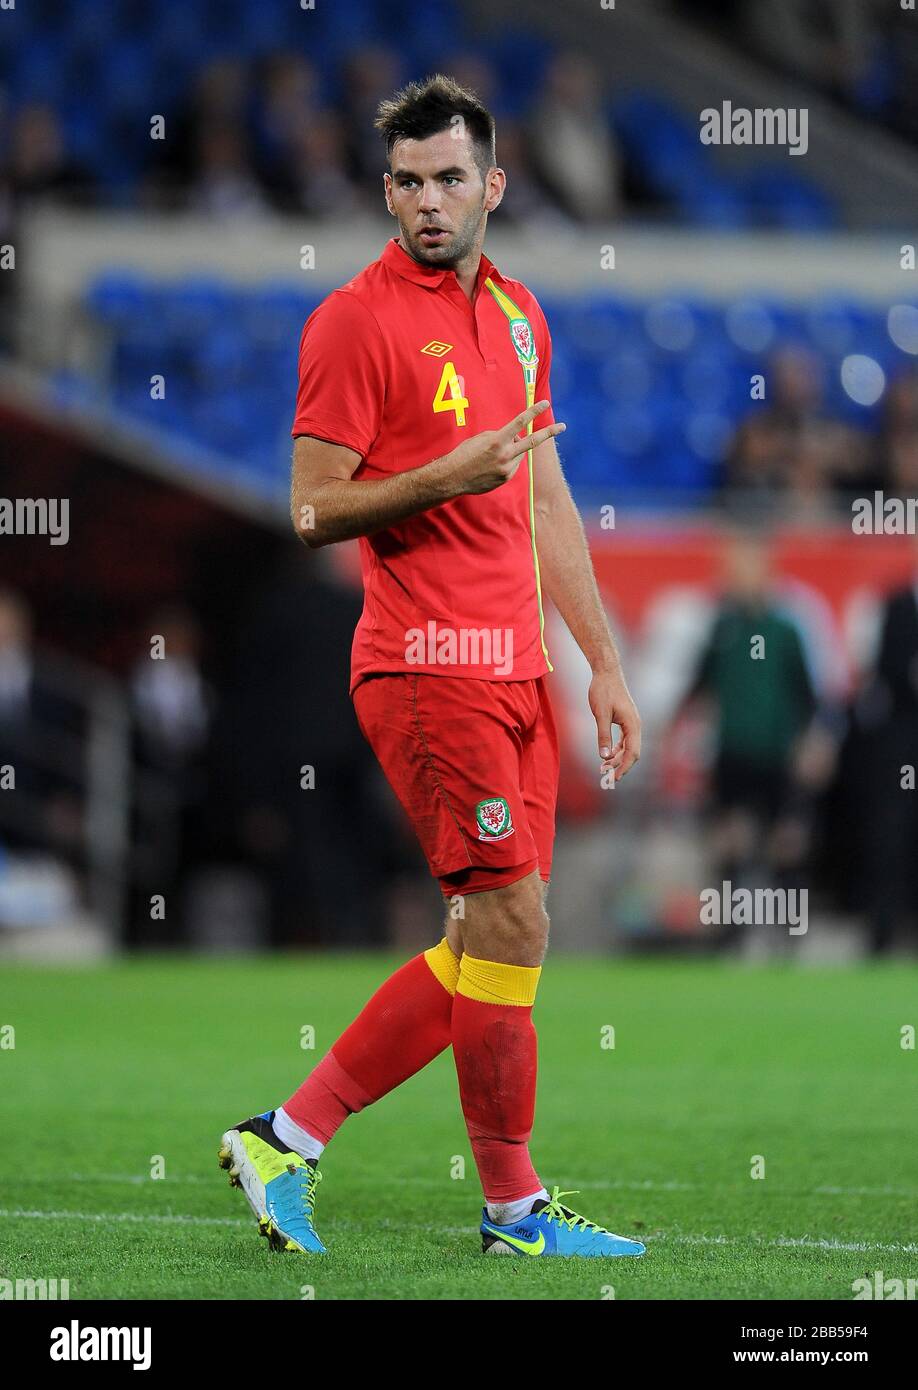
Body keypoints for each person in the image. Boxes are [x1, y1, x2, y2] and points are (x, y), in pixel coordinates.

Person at [218, 74, 643, 1259]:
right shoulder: (353, 321)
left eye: (450, 178)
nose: (427, 201)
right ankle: (513, 1208)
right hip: (422, 664)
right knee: (508, 914)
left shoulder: (519, 314)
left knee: (495, 941)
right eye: (406, 182)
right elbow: (306, 511)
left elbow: (547, 494)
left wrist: (601, 663)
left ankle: (285, 1135)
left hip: (519, 671)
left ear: (493, 185)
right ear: (386, 191)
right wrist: (439, 478)